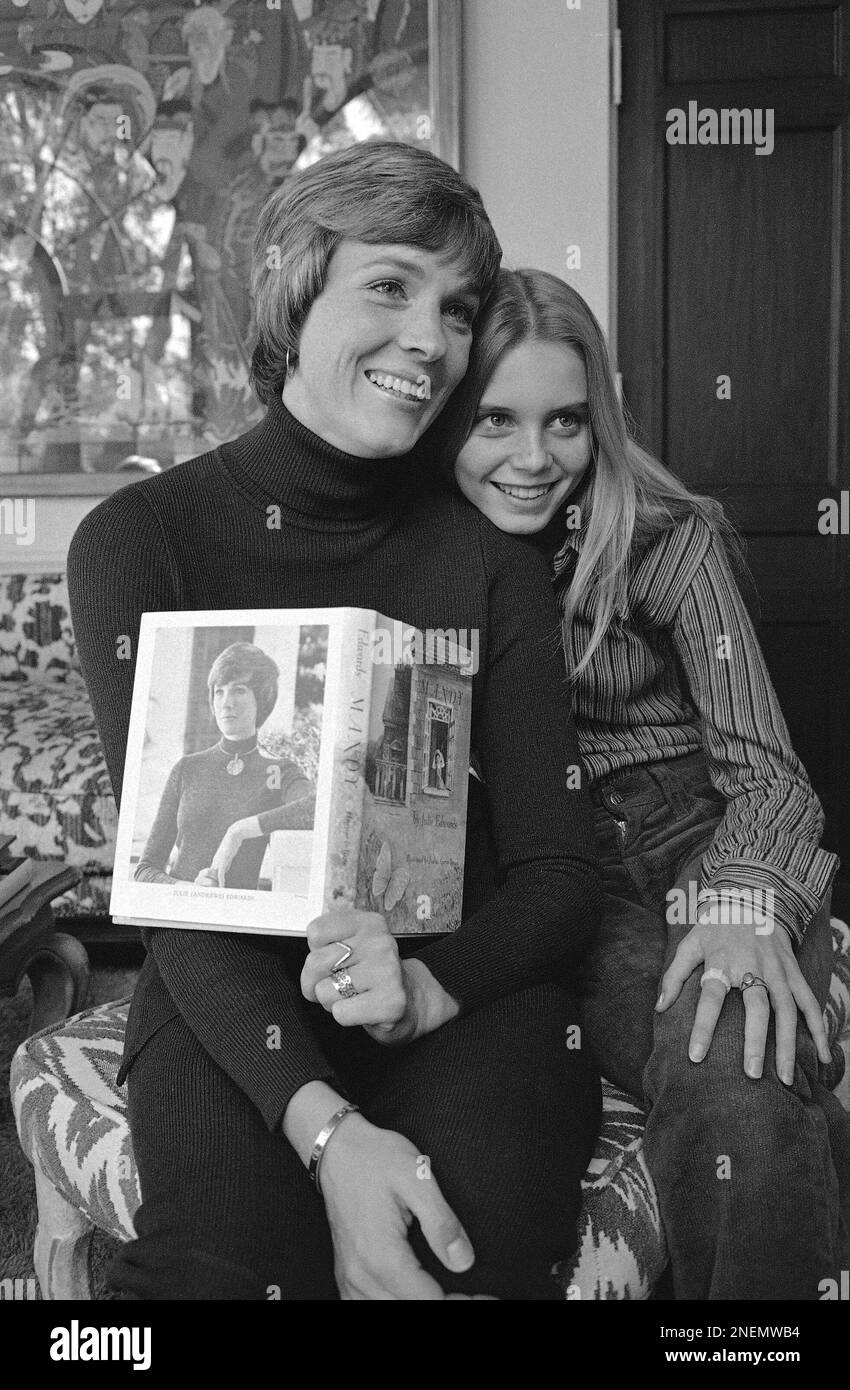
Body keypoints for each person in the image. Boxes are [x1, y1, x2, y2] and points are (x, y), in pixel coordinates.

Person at [67, 144, 602, 1301]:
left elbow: (562, 876)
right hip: (230, 1004)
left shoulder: (486, 563)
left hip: (462, 995)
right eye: (390, 285)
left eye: (457, 308)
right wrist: (330, 1137)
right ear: (299, 284)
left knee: (465, 1258)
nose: (431, 338)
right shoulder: (137, 539)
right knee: (212, 1279)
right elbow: (173, 899)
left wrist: (427, 990)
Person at [441, 266, 848, 1300]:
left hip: (694, 838)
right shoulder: (418, 552)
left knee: (734, 1068)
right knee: (733, 1077)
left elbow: (765, 771)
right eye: (494, 419)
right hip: (548, 873)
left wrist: (747, 900)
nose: (534, 460)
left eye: (566, 421)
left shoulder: (671, 538)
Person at [135, 642, 315, 891]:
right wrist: (189, 890)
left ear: (261, 698)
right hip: (179, 911)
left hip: (240, 918)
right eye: (219, 691)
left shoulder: (278, 771)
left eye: (239, 690)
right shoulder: (187, 769)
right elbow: (145, 869)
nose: (226, 702)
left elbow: (317, 808)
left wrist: (239, 831)